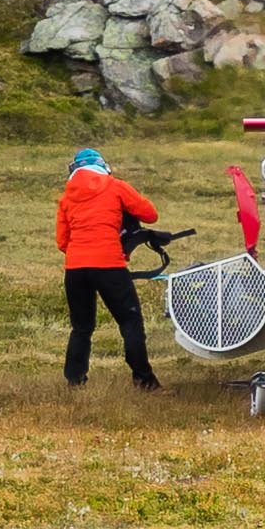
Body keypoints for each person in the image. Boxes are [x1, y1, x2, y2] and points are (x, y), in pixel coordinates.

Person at [54, 146, 162, 389]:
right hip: (110, 265)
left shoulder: (66, 197)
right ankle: (144, 380)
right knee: (129, 321)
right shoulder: (115, 186)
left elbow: (62, 241)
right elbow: (150, 214)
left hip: (75, 268)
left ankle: (75, 380)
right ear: (104, 167)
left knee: (81, 327)